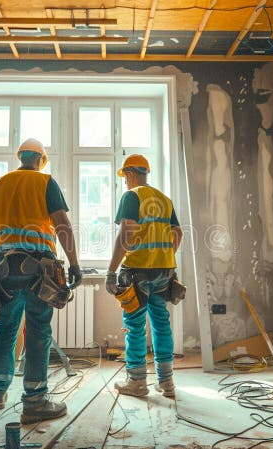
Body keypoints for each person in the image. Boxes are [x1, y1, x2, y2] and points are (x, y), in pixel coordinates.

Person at [0, 138, 82, 423]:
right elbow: (62, 224)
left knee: (6, 327)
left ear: (20, 157)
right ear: (40, 160)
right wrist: (74, 263)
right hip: (39, 268)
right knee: (38, 329)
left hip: (5, 268)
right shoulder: (45, 182)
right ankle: (35, 400)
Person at [106, 154, 183, 398]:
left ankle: (138, 382)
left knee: (135, 326)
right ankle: (167, 382)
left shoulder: (132, 195)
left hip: (137, 271)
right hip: (164, 272)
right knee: (161, 324)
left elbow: (125, 236)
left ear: (130, 174)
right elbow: (178, 233)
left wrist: (110, 271)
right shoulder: (164, 199)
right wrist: (165, 255)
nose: (125, 182)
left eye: (125, 177)